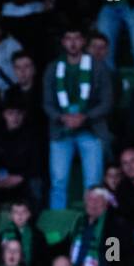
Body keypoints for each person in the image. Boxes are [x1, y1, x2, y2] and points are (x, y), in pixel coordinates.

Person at [43, 25, 114, 209]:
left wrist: (85, 117)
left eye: (77, 38)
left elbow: (107, 102)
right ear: (63, 42)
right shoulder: (52, 68)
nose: (73, 43)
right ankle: (56, 230)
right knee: (58, 182)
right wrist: (62, 118)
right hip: (61, 130)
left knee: (93, 184)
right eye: (69, 38)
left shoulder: (98, 67)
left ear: (83, 42)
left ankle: (90, 224)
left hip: (90, 129)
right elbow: (47, 103)